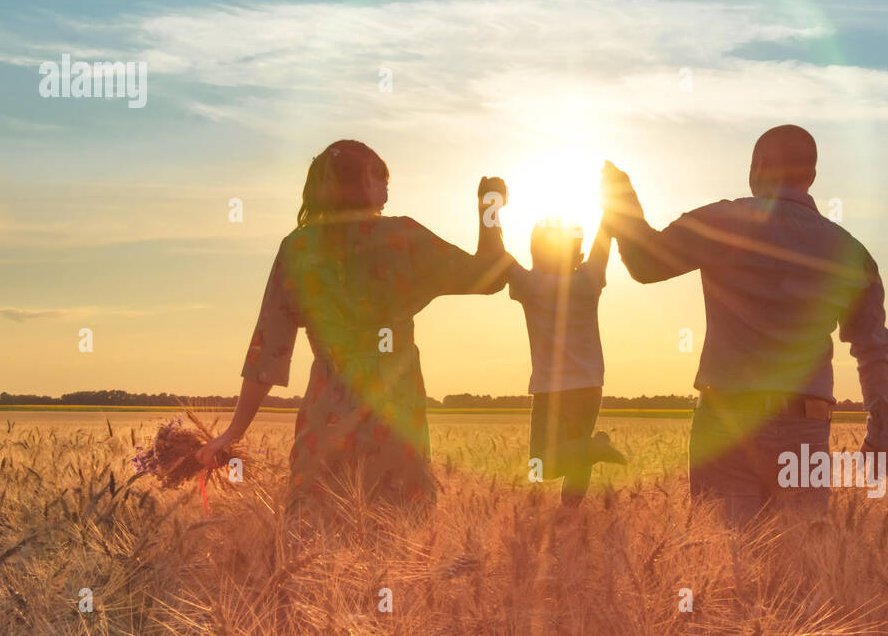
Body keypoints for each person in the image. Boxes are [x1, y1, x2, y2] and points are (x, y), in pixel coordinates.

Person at [600, 125, 888, 525]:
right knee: (800, 569)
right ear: (811, 176)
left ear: (757, 167)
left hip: (725, 425)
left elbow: (645, 263)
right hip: (804, 433)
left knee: (724, 564)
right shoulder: (851, 253)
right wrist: (881, 436)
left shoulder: (723, 221)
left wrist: (622, 202)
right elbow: (873, 350)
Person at [196, 140, 511, 513]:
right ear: (353, 182)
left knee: (315, 529)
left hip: (325, 419)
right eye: (377, 175)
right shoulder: (401, 238)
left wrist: (233, 432)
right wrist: (489, 208)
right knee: (399, 533)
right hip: (396, 414)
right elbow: (489, 277)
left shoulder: (297, 249)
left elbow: (268, 353)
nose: (386, 186)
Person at [508, 215, 626, 507]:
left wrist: (489, 206)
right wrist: (611, 202)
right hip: (589, 386)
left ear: (535, 252)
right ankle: (570, 514)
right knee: (578, 458)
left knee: (541, 464)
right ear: (577, 252)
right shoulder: (588, 279)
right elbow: (606, 237)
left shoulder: (530, 284)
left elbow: (497, 256)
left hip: (551, 389)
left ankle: (594, 448)